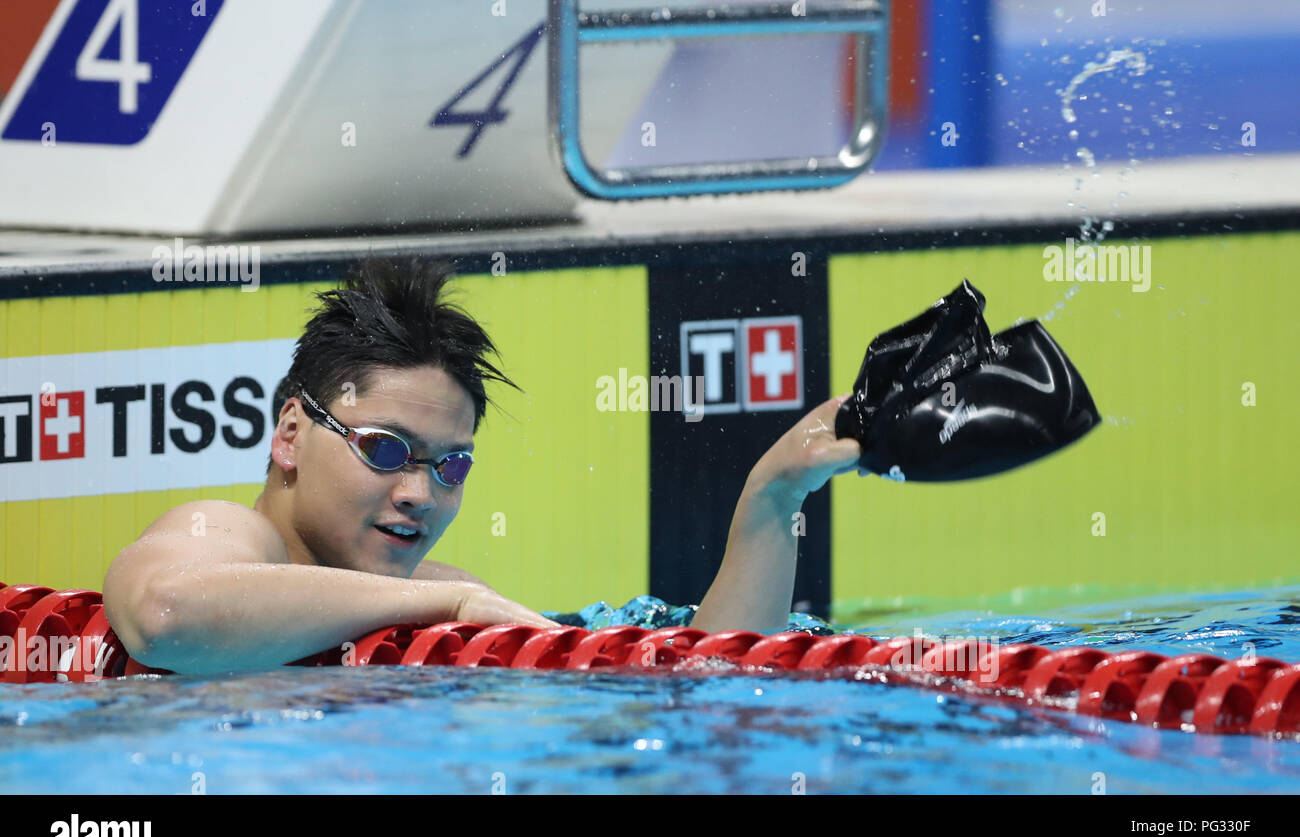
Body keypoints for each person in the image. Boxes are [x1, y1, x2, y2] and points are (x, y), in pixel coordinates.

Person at [103, 257, 862, 674]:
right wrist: (445, 608)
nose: (417, 494)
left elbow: (701, 682)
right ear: (292, 433)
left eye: (450, 467)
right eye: (387, 451)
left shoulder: (441, 595)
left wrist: (774, 492)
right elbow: (165, 616)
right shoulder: (226, 534)